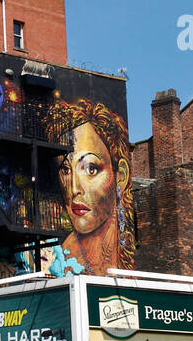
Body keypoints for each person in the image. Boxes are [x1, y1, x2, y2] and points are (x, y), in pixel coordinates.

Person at [49, 99, 135, 277]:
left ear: (121, 176)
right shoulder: (57, 265)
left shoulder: (124, 255)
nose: (74, 189)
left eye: (90, 169)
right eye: (65, 170)